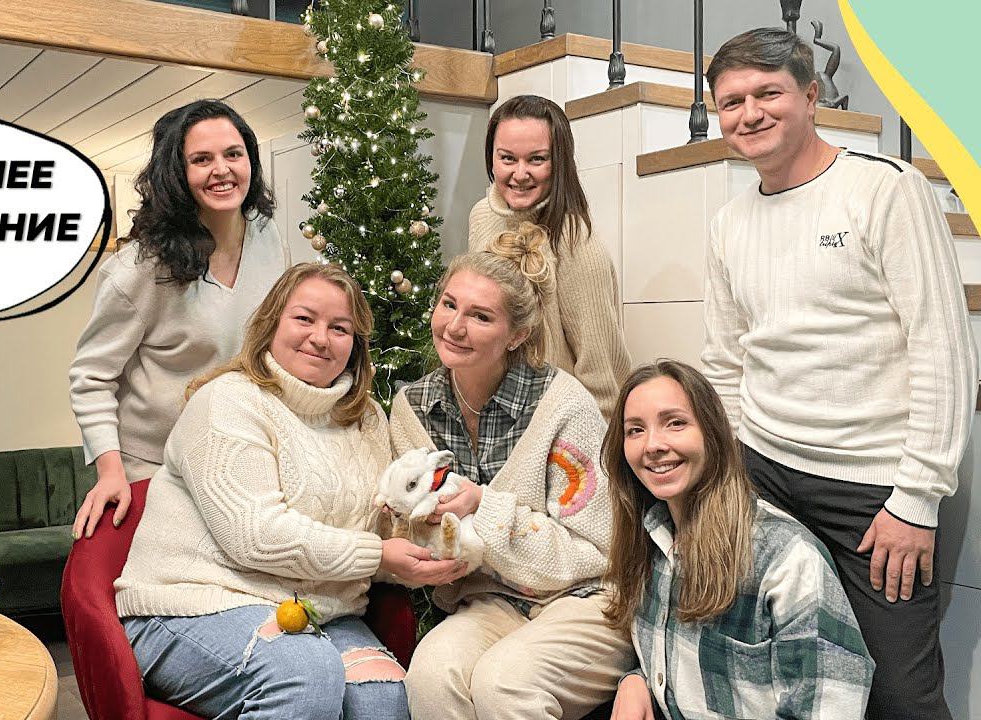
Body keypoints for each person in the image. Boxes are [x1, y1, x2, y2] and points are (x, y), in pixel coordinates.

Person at [701, 27, 976, 719]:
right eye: (731, 101)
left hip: (874, 492)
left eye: (768, 93)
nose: (749, 113)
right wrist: (731, 475)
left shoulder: (887, 190)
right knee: (783, 678)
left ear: (811, 95)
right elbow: (726, 362)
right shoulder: (729, 223)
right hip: (764, 475)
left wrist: (916, 500)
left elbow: (943, 350)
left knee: (900, 695)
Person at [117, 263, 467, 720]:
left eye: (339, 328)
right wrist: (380, 554)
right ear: (272, 323)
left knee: (383, 699)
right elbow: (254, 535)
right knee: (304, 674)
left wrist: (432, 542)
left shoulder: (366, 420)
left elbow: (380, 532)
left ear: (356, 345)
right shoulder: (228, 400)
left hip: (319, 612)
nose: (320, 338)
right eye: (304, 319)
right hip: (195, 604)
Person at [389, 222, 634, 720]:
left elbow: (598, 550)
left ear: (517, 335)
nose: (455, 327)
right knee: (431, 677)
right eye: (449, 305)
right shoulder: (412, 409)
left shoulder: (562, 404)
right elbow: (411, 526)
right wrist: (426, 543)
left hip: (587, 599)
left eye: (480, 316)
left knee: (503, 683)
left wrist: (484, 506)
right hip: (490, 602)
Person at [603, 360, 874, 720]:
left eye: (675, 423)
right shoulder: (647, 543)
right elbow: (678, 666)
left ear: (713, 433)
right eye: (635, 430)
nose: (652, 445)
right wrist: (636, 680)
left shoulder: (788, 559)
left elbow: (834, 705)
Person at [68, 99, 290, 538]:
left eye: (233, 154)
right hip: (155, 470)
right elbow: (91, 378)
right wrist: (111, 472)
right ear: (176, 174)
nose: (222, 170)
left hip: (240, 458)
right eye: (201, 159)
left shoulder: (268, 237)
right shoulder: (137, 270)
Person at [467, 94, 630, 418]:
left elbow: (604, 382)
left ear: (559, 162)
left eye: (537, 159)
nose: (520, 174)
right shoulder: (482, 216)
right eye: (507, 158)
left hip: (554, 426)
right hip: (488, 418)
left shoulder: (577, 244)